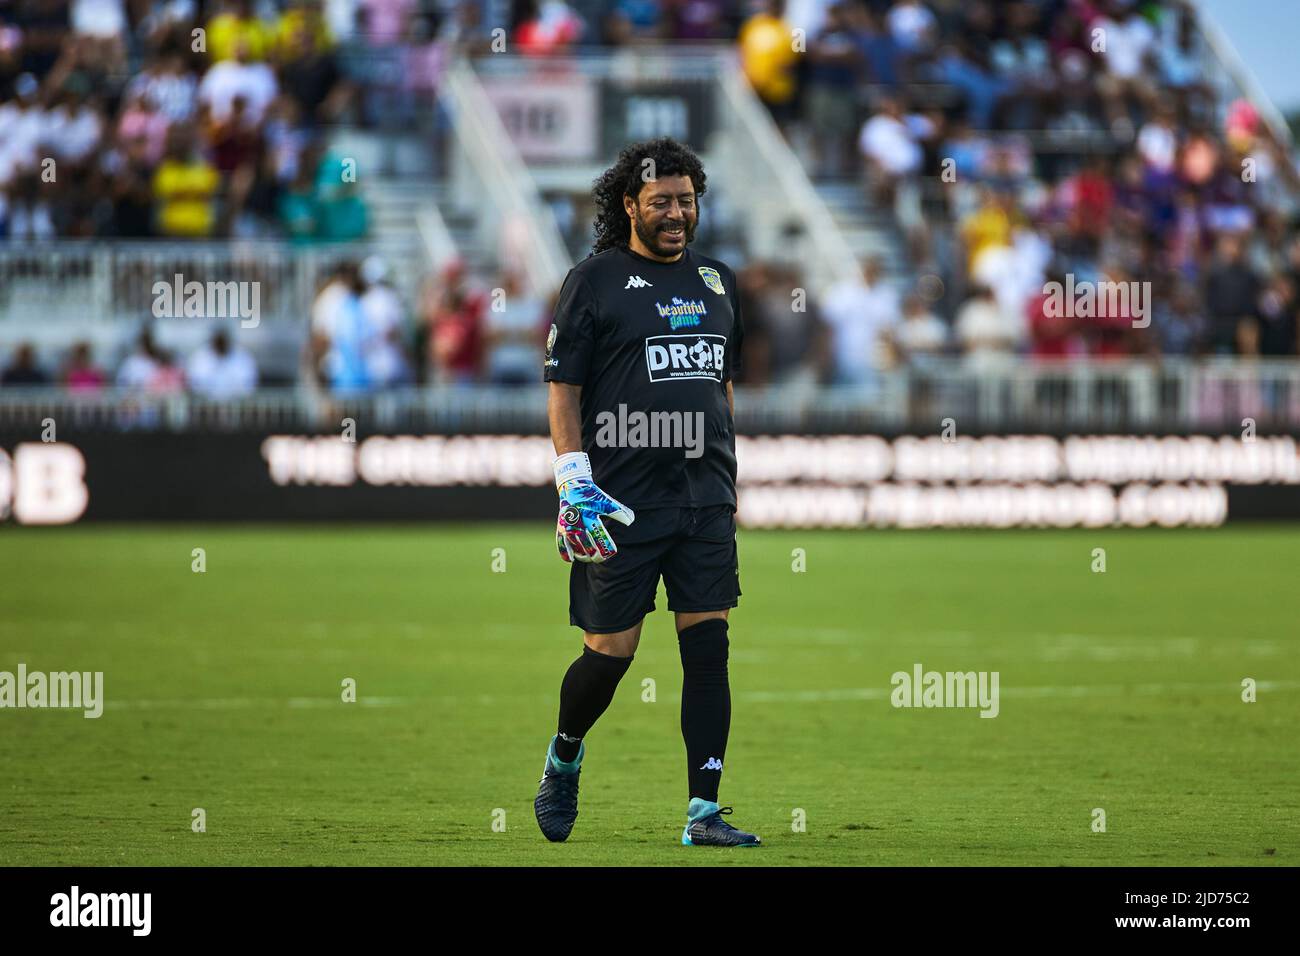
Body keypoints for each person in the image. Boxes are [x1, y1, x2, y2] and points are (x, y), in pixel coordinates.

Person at [534, 137, 758, 848]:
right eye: (660, 200)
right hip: (622, 501)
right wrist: (574, 479)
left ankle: (704, 811)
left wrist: (729, 478)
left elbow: (720, 387)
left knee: (709, 649)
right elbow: (562, 386)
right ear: (629, 204)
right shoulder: (594, 280)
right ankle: (565, 753)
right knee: (610, 654)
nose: (675, 213)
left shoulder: (719, 281)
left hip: (705, 502)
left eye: (686, 201)